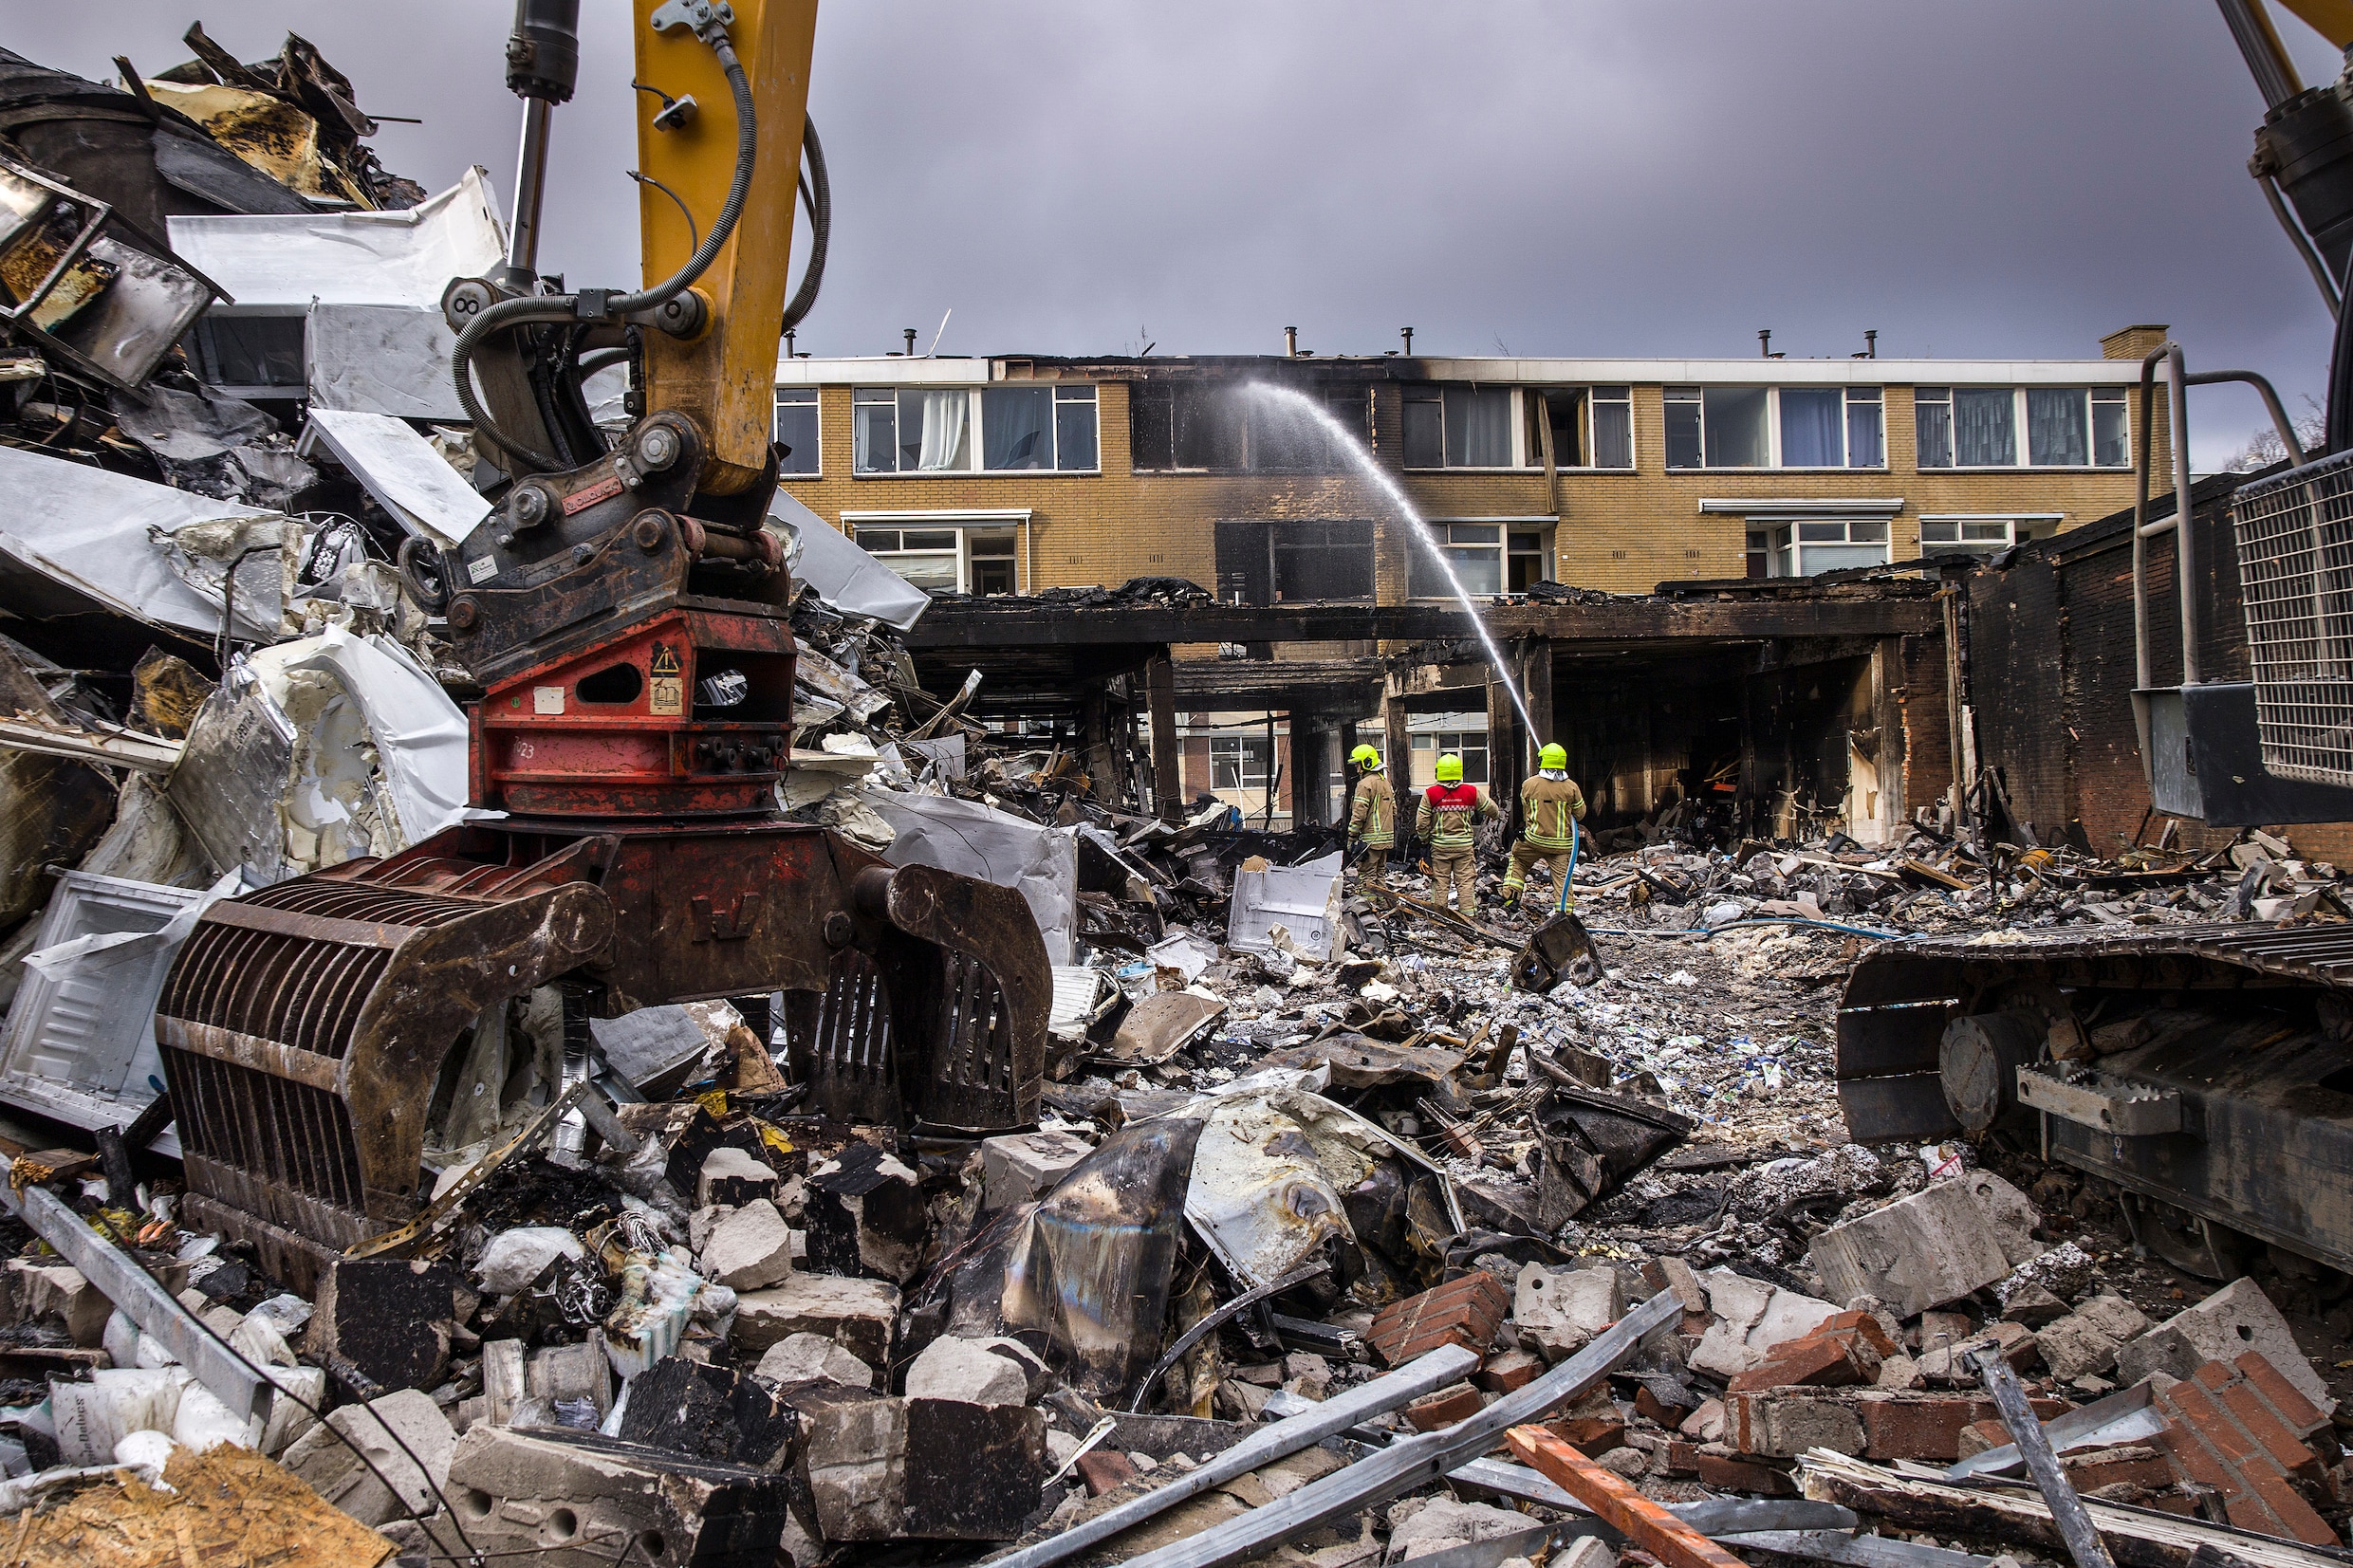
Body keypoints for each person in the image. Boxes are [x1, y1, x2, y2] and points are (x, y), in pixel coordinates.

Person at [1416, 752, 1501, 915]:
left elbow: (1421, 823)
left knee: (1440, 883)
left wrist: (1425, 840)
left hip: (1440, 847)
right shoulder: (1471, 792)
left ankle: (1439, 917)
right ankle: (1468, 917)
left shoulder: (1430, 794)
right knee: (1465, 883)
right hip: (1464, 847)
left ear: (1438, 772)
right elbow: (1494, 811)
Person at [1506, 743, 1587, 909]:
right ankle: (1564, 913)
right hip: (1561, 845)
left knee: (1518, 859)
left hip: (1534, 840)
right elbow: (1580, 814)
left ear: (1541, 761)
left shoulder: (1529, 784)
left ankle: (1511, 899)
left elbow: (1525, 810)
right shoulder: (1571, 787)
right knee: (1563, 880)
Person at [1344, 743, 1396, 884]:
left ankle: (1369, 904)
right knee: (1380, 875)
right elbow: (1394, 810)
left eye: (1357, 764)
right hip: (1386, 839)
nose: (1356, 768)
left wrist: (1352, 837)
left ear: (1366, 763)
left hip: (1370, 840)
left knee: (1367, 876)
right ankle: (1384, 905)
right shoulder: (1386, 783)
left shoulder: (1364, 784)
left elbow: (1359, 814)